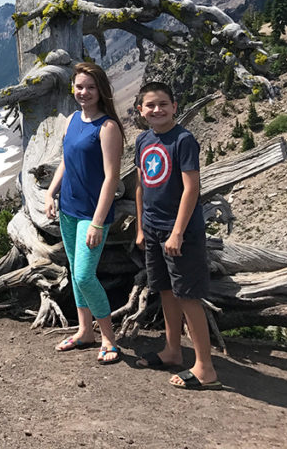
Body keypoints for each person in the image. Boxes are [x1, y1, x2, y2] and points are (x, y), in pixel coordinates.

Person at [133, 81, 221, 390]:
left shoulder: (183, 140)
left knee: (187, 295)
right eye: (150, 105)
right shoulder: (143, 141)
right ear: (140, 111)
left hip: (178, 232)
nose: (157, 110)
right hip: (154, 227)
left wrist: (178, 232)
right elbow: (142, 184)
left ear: (174, 106)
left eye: (163, 104)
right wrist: (141, 227)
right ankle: (172, 350)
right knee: (166, 290)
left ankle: (205, 369)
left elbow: (191, 188)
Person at [44, 62, 124, 364]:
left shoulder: (108, 127)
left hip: (92, 215)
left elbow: (110, 178)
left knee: (84, 275)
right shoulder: (73, 120)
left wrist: (98, 222)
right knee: (76, 275)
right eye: (79, 86)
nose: (84, 92)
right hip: (68, 209)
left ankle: (108, 338)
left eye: (90, 87)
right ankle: (84, 331)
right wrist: (51, 193)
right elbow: (66, 160)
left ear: (101, 90)